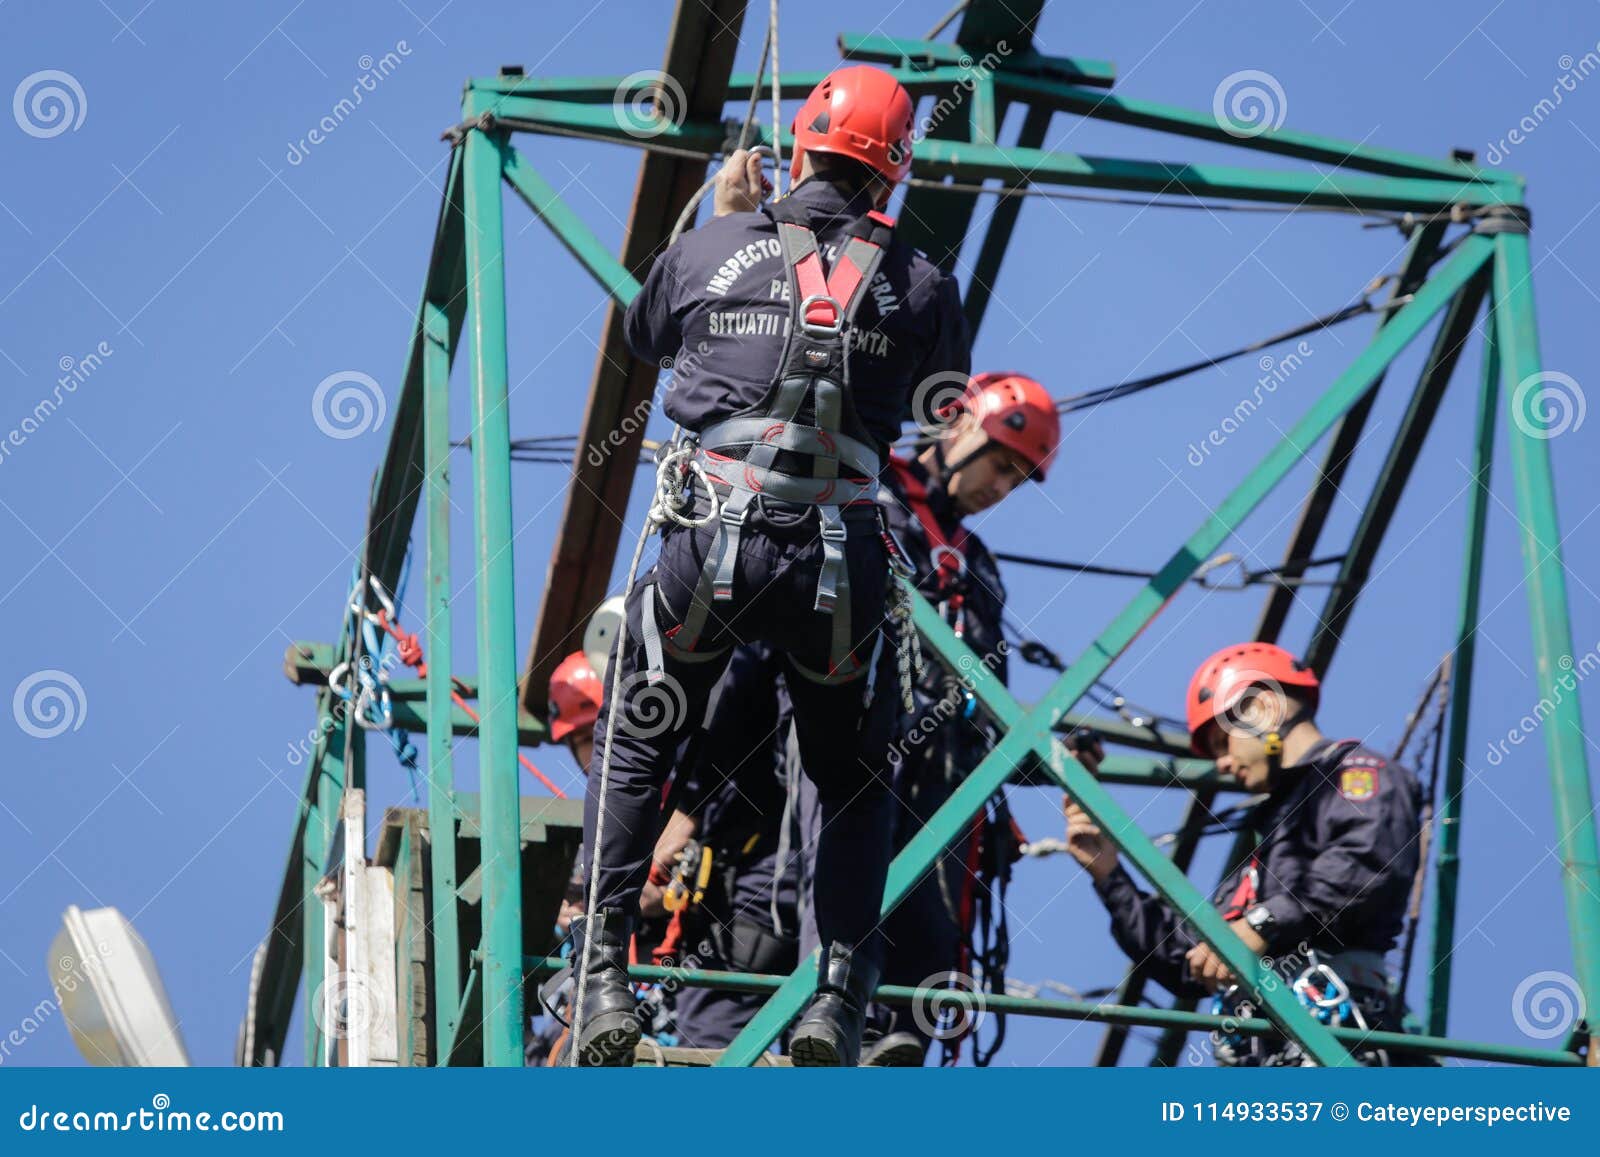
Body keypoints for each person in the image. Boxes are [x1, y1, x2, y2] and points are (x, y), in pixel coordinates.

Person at [572, 63, 971, 1067]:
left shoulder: (709, 248)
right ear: (892, 173)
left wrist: (734, 218)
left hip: (706, 549)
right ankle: (837, 996)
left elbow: (647, 333)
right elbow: (934, 403)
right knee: (849, 779)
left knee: (636, 745)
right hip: (833, 573)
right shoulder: (923, 284)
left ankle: (600, 975)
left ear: (801, 143)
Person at [791, 371, 1062, 1066]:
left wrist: (1044, 755)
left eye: (1016, 477)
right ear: (957, 424)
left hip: (944, 762)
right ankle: (833, 1008)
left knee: (931, 901)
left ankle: (899, 1033)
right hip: (862, 727)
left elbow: (994, 692)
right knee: (849, 871)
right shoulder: (871, 496)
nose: (1000, 486)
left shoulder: (977, 565)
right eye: (1000, 463)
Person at [1062, 642, 1424, 1065]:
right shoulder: (1271, 843)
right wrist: (1109, 873)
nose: (1222, 764)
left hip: (1338, 1043)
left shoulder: (1358, 773)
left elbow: (1368, 864)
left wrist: (1263, 925)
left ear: (1262, 707)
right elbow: (1187, 958)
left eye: (1222, 742)